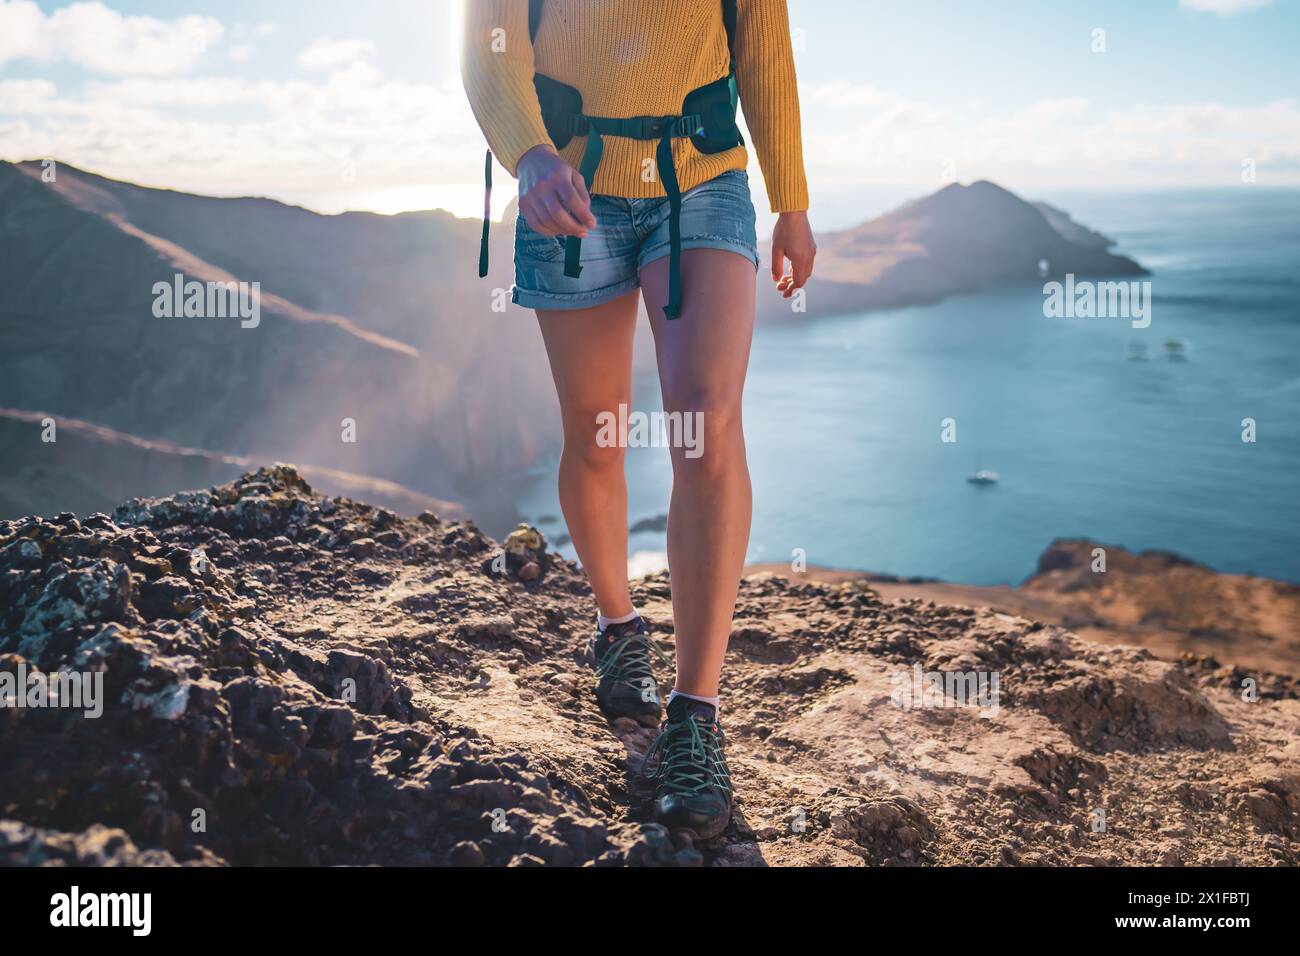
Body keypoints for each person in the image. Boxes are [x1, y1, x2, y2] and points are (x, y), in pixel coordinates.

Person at [462, 0, 814, 841]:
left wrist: (791, 201)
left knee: (707, 422)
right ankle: (618, 626)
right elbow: (488, 44)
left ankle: (696, 716)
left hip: (703, 179)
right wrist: (530, 153)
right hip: (568, 185)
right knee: (595, 433)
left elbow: (764, 54)